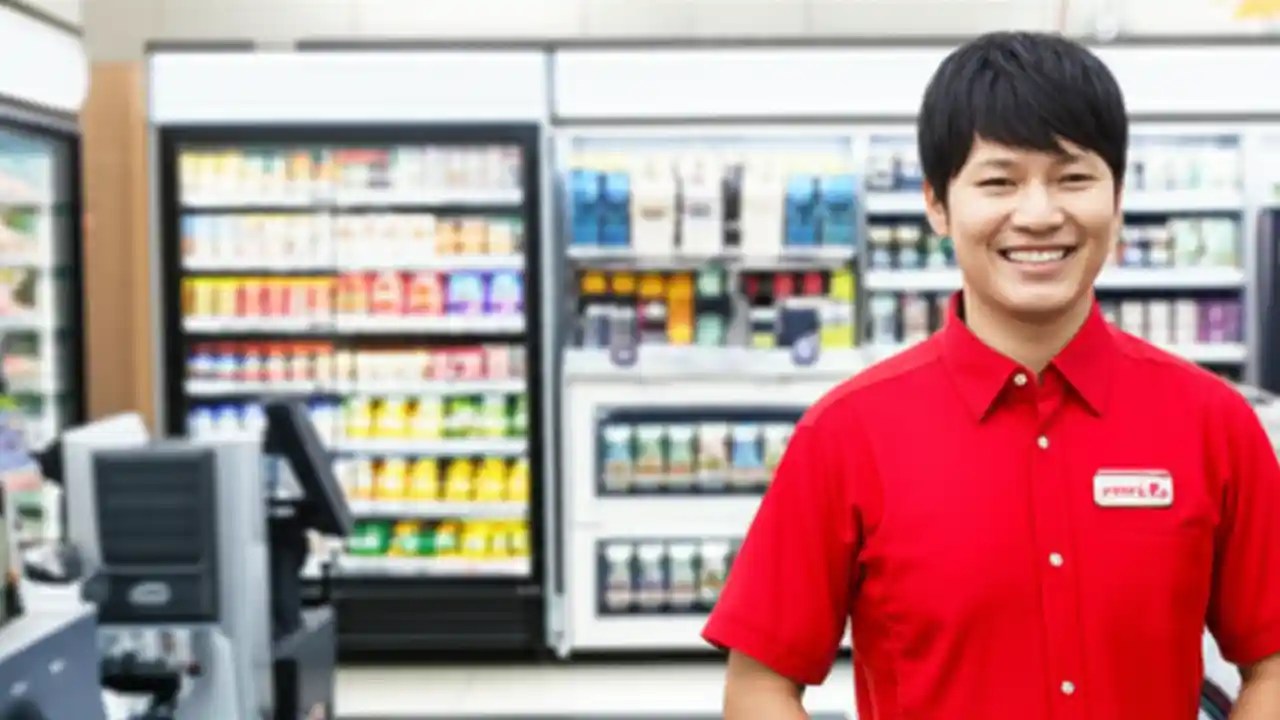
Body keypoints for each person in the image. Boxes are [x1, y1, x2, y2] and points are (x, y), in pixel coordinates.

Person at [703, 31, 1280, 720]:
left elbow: (1271, 668)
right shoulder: (847, 435)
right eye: (999, 181)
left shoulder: (1213, 425)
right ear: (937, 204)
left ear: (1117, 197)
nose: (1038, 215)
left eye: (1073, 177)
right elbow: (760, 685)